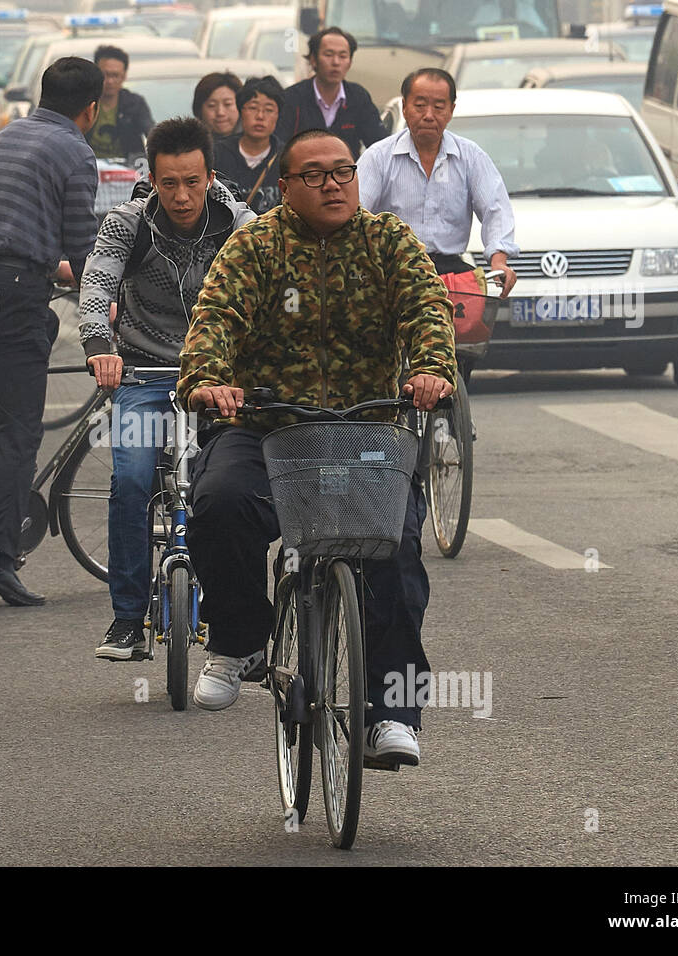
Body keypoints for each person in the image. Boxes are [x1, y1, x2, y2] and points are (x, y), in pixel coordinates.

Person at [177, 129, 456, 767]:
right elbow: (214, 319)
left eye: (343, 171)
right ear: (285, 186)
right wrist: (208, 380)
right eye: (315, 175)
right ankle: (239, 640)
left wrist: (431, 369)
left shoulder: (389, 243)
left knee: (397, 562)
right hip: (268, 426)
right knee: (218, 503)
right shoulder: (254, 245)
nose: (332, 184)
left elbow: (427, 312)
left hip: (366, 431)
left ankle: (394, 715)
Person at [79, 117, 256, 660]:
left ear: (210, 176)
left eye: (193, 182)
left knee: (233, 497)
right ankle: (127, 619)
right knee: (130, 481)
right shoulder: (125, 225)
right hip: (143, 375)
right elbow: (96, 283)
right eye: (169, 183)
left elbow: (272, 294)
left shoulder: (241, 225)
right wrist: (98, 347)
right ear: (151, 179)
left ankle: (242, 630)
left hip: (221, 381)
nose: (182, 196)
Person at [0, 56, 102, 607]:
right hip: (10, 295)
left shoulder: (12, 132)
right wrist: (109, 302)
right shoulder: (77, 152)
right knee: (21, 435)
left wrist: (49, 270)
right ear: (92, 109)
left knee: (35, 345)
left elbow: (16, 230)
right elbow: (83, 252)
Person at [358, 68, 518, 296]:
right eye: (420, 105)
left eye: (439, 107)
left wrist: (499, 260)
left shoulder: (471, 156)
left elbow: (496, 209)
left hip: (451, 273)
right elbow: (355, 214)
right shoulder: (378, 157)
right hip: (390, 271)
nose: (429, 115)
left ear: (451, 110)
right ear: (405, 107)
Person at [275, 26, 387, 159]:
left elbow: (380, 146)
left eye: (343, 56)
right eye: (328, 55)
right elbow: (279, 146)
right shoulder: (292, 97)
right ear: (313, 60)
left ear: (350, 62)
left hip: (345, 177)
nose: (336, 62)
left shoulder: (358, 97)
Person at [212, 76, 285, 215]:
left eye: (269, 110)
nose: (260, 116)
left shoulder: (286, 157)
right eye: (253, 108)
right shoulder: (217, 154)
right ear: (240, 111)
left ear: (278, 115)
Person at [87, 45, 154, 163]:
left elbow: (151, 132)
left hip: (129, 173)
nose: (110, 81)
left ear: (124, 76)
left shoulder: (135, 104)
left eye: (115, 75)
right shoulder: (84, 101)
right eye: (105, 75)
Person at [192, 72, 242, 139]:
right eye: (211, 105)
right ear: (199, 110)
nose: (220, 112)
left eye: (227, 104)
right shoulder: (190, 145)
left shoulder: (255, 141)